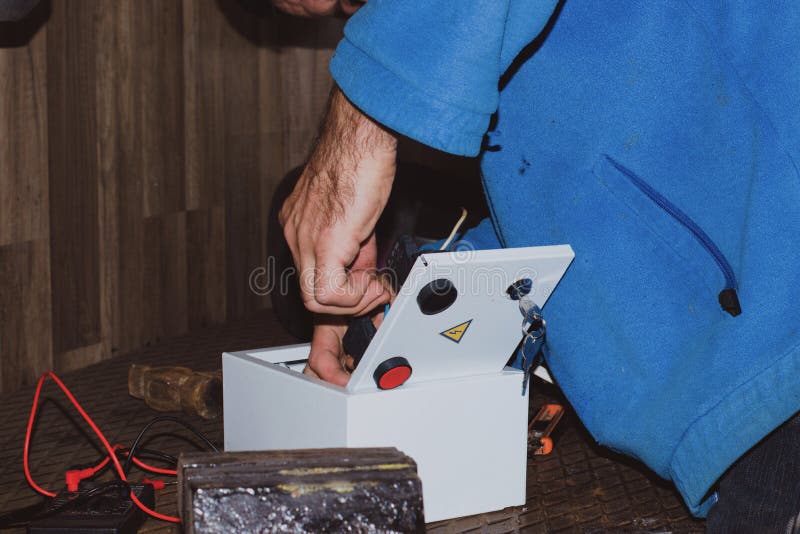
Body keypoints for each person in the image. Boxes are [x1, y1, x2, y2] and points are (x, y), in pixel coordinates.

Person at [275, 1, 800, 531]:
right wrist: (414, 297)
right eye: (343, 11)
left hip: (777, 349)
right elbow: (580, 207)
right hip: (737, 400)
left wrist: (359, 118)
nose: (368, 14)